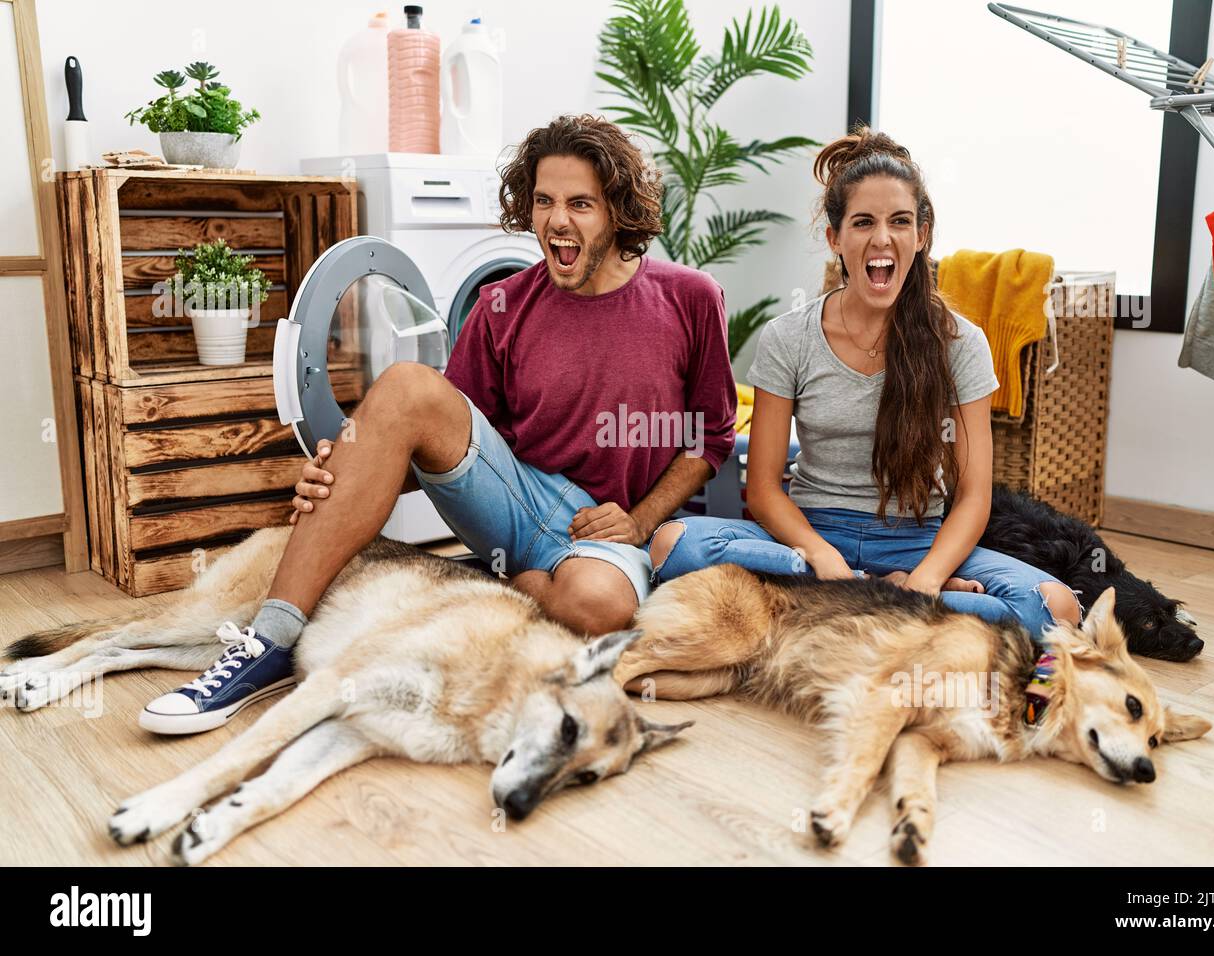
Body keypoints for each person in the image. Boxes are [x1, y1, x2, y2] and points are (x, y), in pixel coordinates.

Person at [140, 115, 737, 734]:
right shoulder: (501, 305)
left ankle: (501, 583)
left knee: (599, 606)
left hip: (604, 532)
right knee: (408, 386)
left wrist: (638, 521)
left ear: (618, 211)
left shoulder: (689, 297)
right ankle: (266, 646)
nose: (557, 221)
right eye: (543, 201)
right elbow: (442, 445)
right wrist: (340, 476)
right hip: (517, 499)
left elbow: (711, 436)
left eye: (580, 203)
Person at [647, 126, 1082, 638]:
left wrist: (926, 578)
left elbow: (973, 497)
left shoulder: (961, 343)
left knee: (1056, 609)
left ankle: (853, 601)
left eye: (900, 221)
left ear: (921, 236)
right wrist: (818, 554)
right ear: (835, 239)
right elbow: (763, 490)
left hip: (917, 543)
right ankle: (887, 601)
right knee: (671, 543)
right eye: (863, 222)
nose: (882, 238)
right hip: (806, 538)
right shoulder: (788, 337)